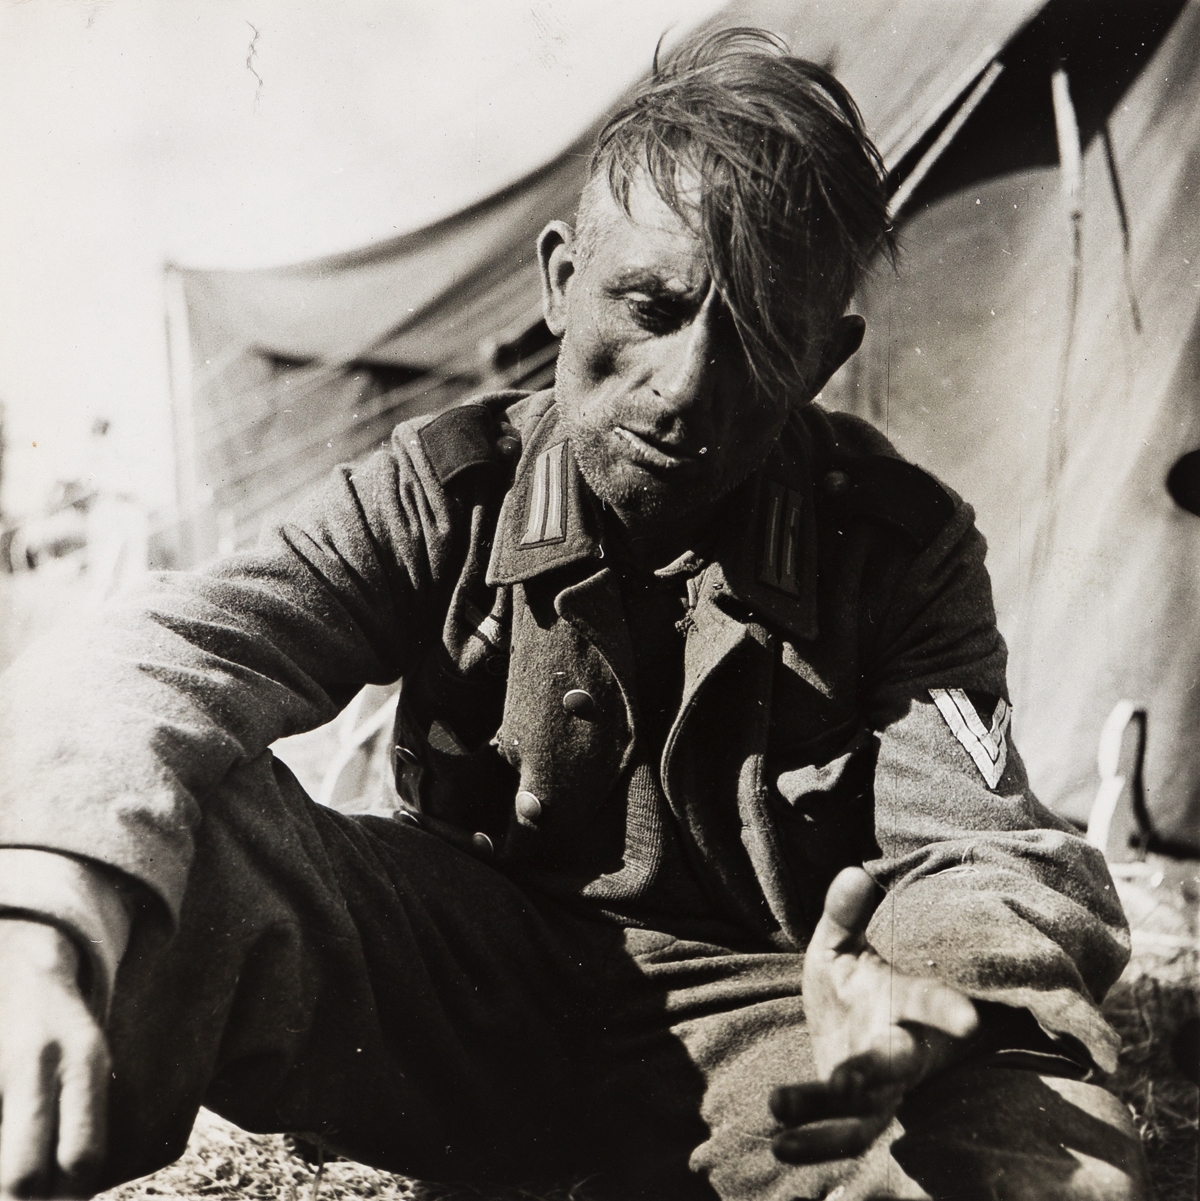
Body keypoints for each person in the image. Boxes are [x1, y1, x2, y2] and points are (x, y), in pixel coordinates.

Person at [0, 29, 1148, 1201]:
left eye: (757, 337)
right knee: (159, 840)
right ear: (559, 282)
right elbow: (168, 650)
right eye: (651, 305)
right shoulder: (443, 489)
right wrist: (46, 923)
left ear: (824, 358)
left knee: (1045, 1150)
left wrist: (930, 998)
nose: (686, 382)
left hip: (771, 1033)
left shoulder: (897, 547)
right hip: (456, 1004)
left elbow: (981, 843)